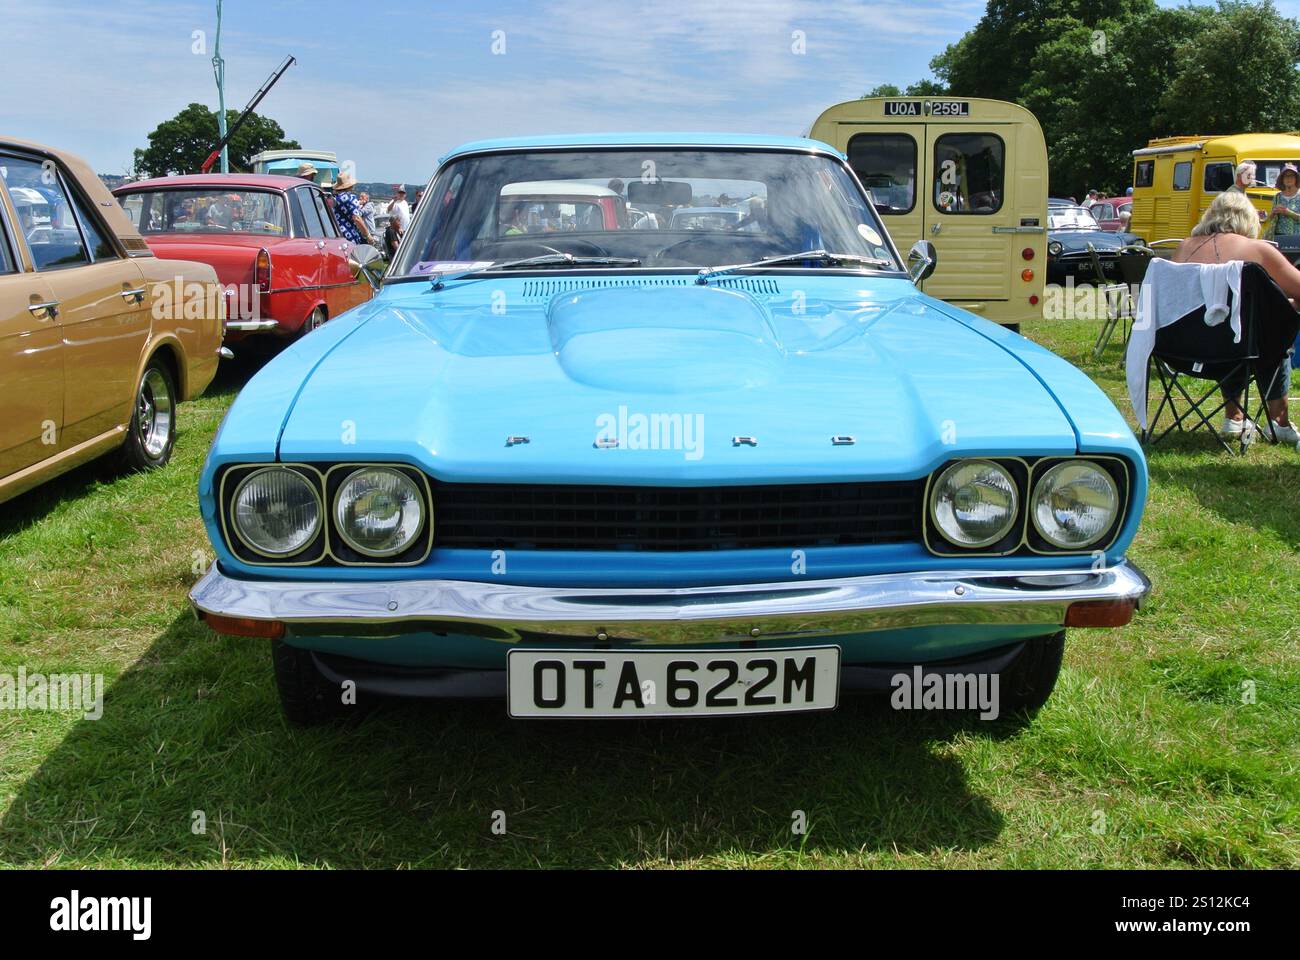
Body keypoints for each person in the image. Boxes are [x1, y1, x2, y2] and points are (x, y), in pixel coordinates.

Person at [1170, 191, 1299, 443]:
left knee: (1235, 325)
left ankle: (1234, 416)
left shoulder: (1184, 247)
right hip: (1239, 348)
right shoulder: (1257, 250)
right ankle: (1279, 421)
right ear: (1248, 219)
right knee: (1270, 330)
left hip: (1181, 351)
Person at [330, 171, 369, 244]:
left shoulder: (335, 198)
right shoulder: (350, 198)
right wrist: (368, 235)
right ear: (350, 186)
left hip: (337, 235)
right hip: (350, 236)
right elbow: (357, 218)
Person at [1270, 164, 1300, 237]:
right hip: (1280, 237)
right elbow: (1271, 219)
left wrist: (1288, 212)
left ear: (1296, 178)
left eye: (1291, 175)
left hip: (1298, 237)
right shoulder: (1277, 197)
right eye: (1285, 176)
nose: (1288, 178)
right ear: (1282, 179)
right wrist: (1274, 213)